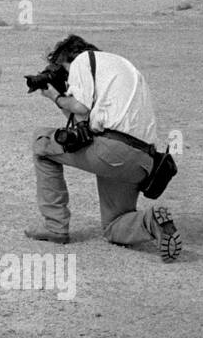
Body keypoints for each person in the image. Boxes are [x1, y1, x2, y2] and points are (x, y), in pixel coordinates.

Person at [26, 34, 183, 262]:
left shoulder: (82, 60)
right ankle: (152, 222)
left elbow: (80, 107)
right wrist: (62, 99)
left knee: (41, 141)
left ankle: (55, 226)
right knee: (113, 226)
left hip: (113, 151)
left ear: (68, 59)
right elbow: (82, 122)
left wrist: (56, 97)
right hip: (143, 161)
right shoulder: (121, 67)